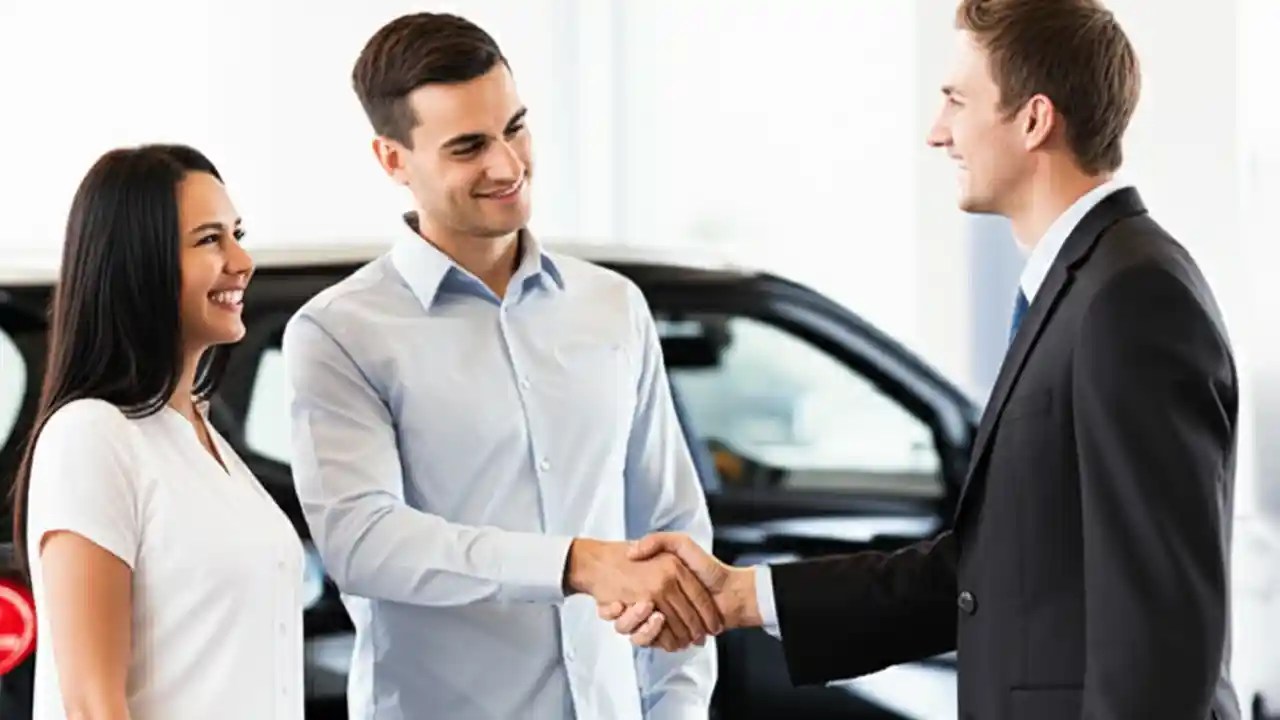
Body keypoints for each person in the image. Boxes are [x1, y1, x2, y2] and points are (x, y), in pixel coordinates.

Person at [603, 1, 1242, 718]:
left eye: (957, 101)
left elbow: (1161, 633)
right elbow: (980, 578)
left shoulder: (1132, 297)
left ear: (1034, 120)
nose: (938, 133)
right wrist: (739, 595)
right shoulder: (1085, 288)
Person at [281, 12, 718, 720]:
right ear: (393, 161)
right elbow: (365, 543)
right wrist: (573, 564)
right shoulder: (339, 332)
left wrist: (678, 708)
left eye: (515, 127)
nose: (507, 165)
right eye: (468, 147)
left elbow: (673, 531)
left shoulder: (613, 307)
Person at [10, 144, 304, 720]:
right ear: (138, 263)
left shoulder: (202, 437)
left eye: (236, 233)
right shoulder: (92, 436)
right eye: (209, 239)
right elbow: (93, 705)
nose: (241, 260)